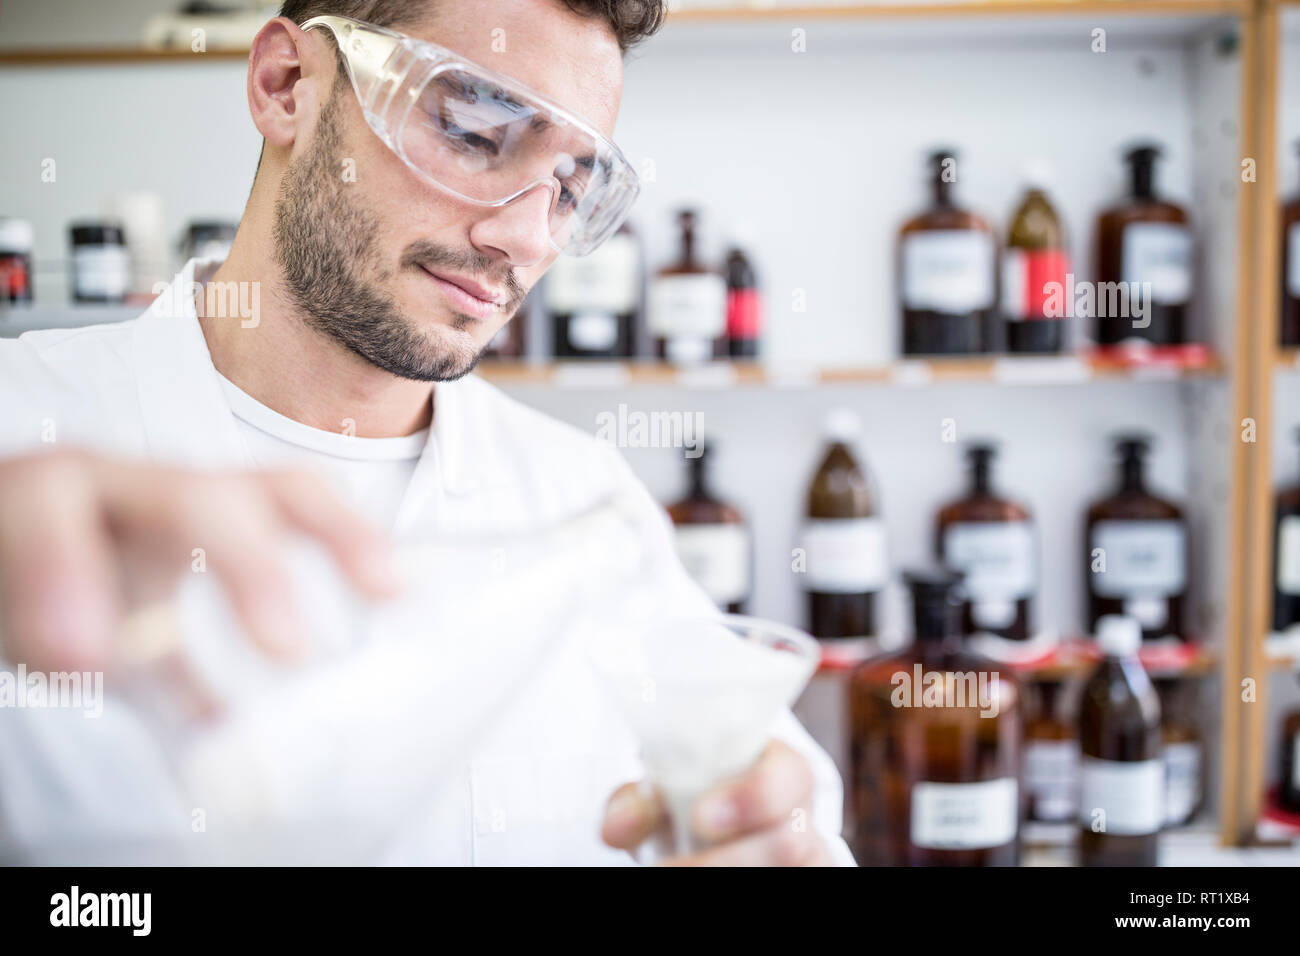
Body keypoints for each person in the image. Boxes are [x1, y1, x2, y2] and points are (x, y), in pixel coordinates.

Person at [0, 0, 851, 866]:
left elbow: (777, 804)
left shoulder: (588, 506)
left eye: (571, 188)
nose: (525, 238)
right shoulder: (21, 436)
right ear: (285, 85)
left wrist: (771, 840)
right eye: (475, 131)